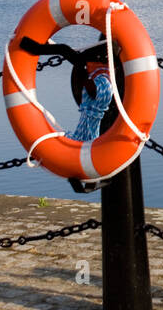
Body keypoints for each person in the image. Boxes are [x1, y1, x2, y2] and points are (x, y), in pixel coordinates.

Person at [19, 35, 123, 192]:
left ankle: (37, 47)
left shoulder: (100, 83)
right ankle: (39, 47)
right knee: (65, 51)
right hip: (96, 112)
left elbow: (89, 83)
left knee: (65, 51)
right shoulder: (100, 80)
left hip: (94, 114)